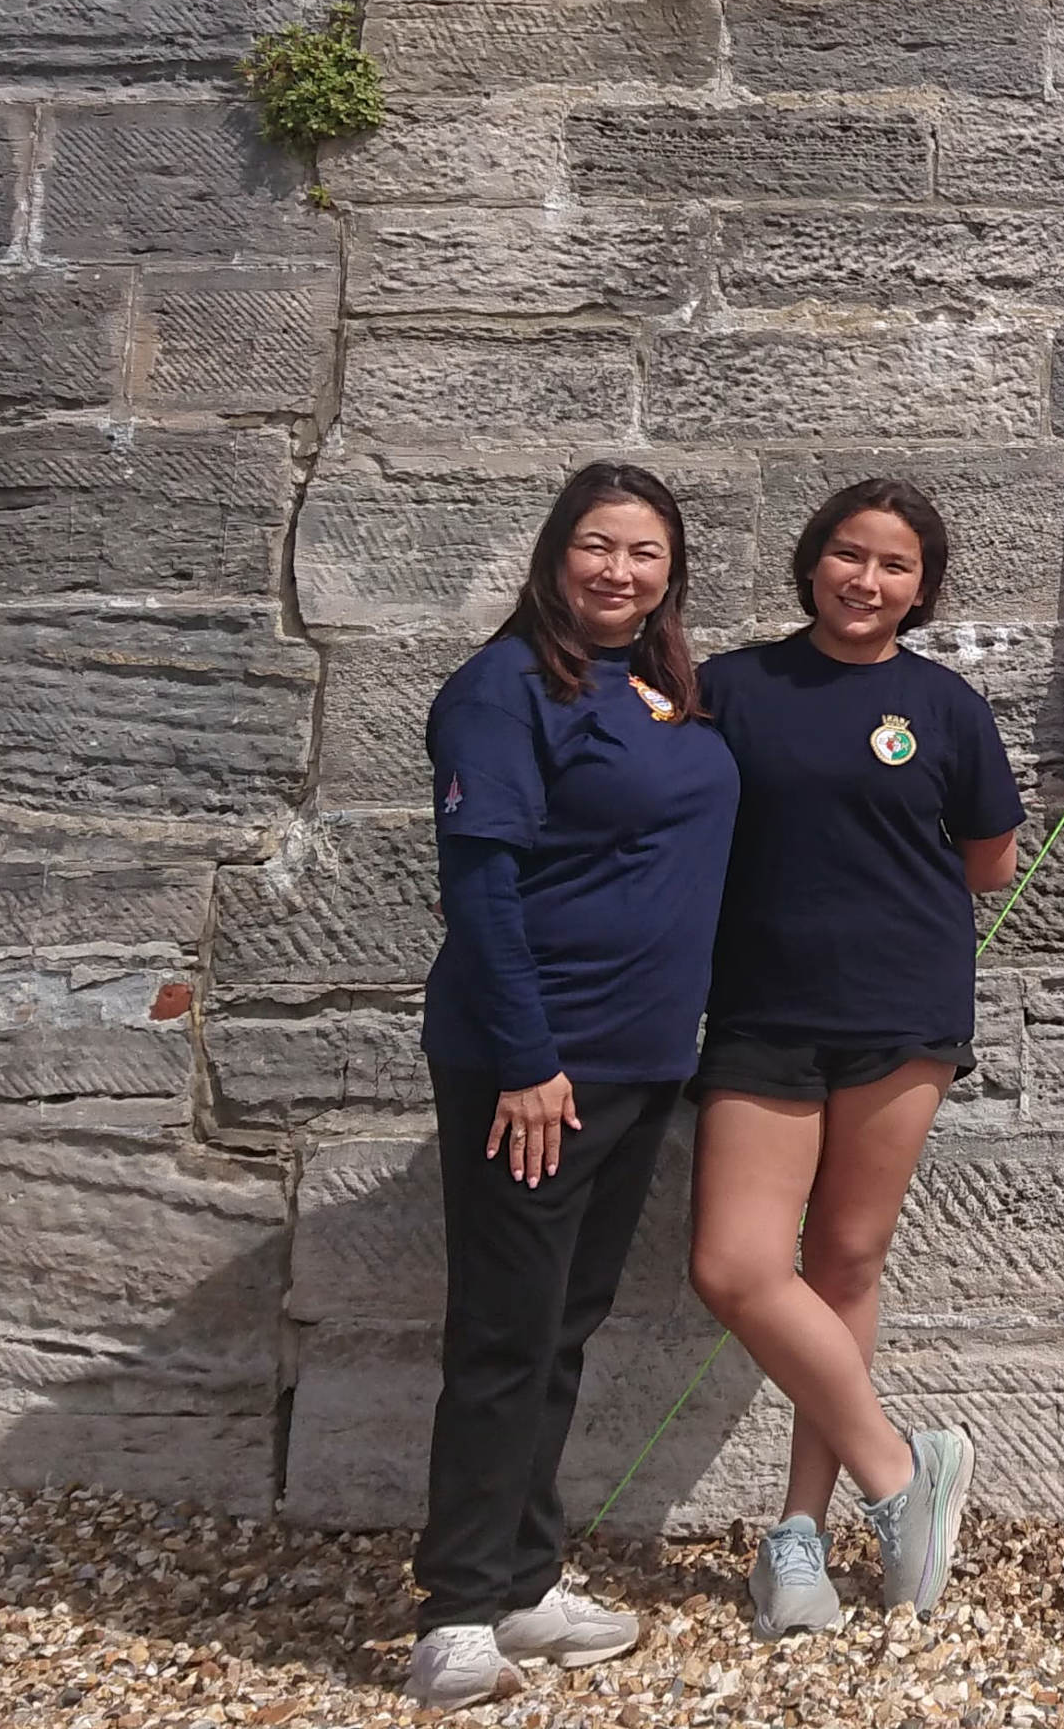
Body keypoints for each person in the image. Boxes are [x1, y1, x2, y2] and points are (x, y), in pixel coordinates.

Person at [406, 463, 740, 1713]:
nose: (620, 570)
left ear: (672, 571)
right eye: (598, 545)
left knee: (563, 1323)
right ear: (554, 556)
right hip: (537, 1068)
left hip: (643, 1060)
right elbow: (481, 887)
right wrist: (528, 1061)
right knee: (505, 1329)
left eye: (646, 551)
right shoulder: (500, 691)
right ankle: (453, 1611)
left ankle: (524, 1581)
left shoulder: (659, 689)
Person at [686, 477, 1026, 1635]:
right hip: (760, 1010)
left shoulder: (946, 704)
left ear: (921, 589)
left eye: (893, 565)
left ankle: (799, 1538)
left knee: (843, 1261)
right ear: (811, 561)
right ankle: (900, 1471)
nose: (865, 579)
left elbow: (990, 860)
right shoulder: (732, 686)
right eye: (847, 554)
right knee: (736, 1265)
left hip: (899, 1008)